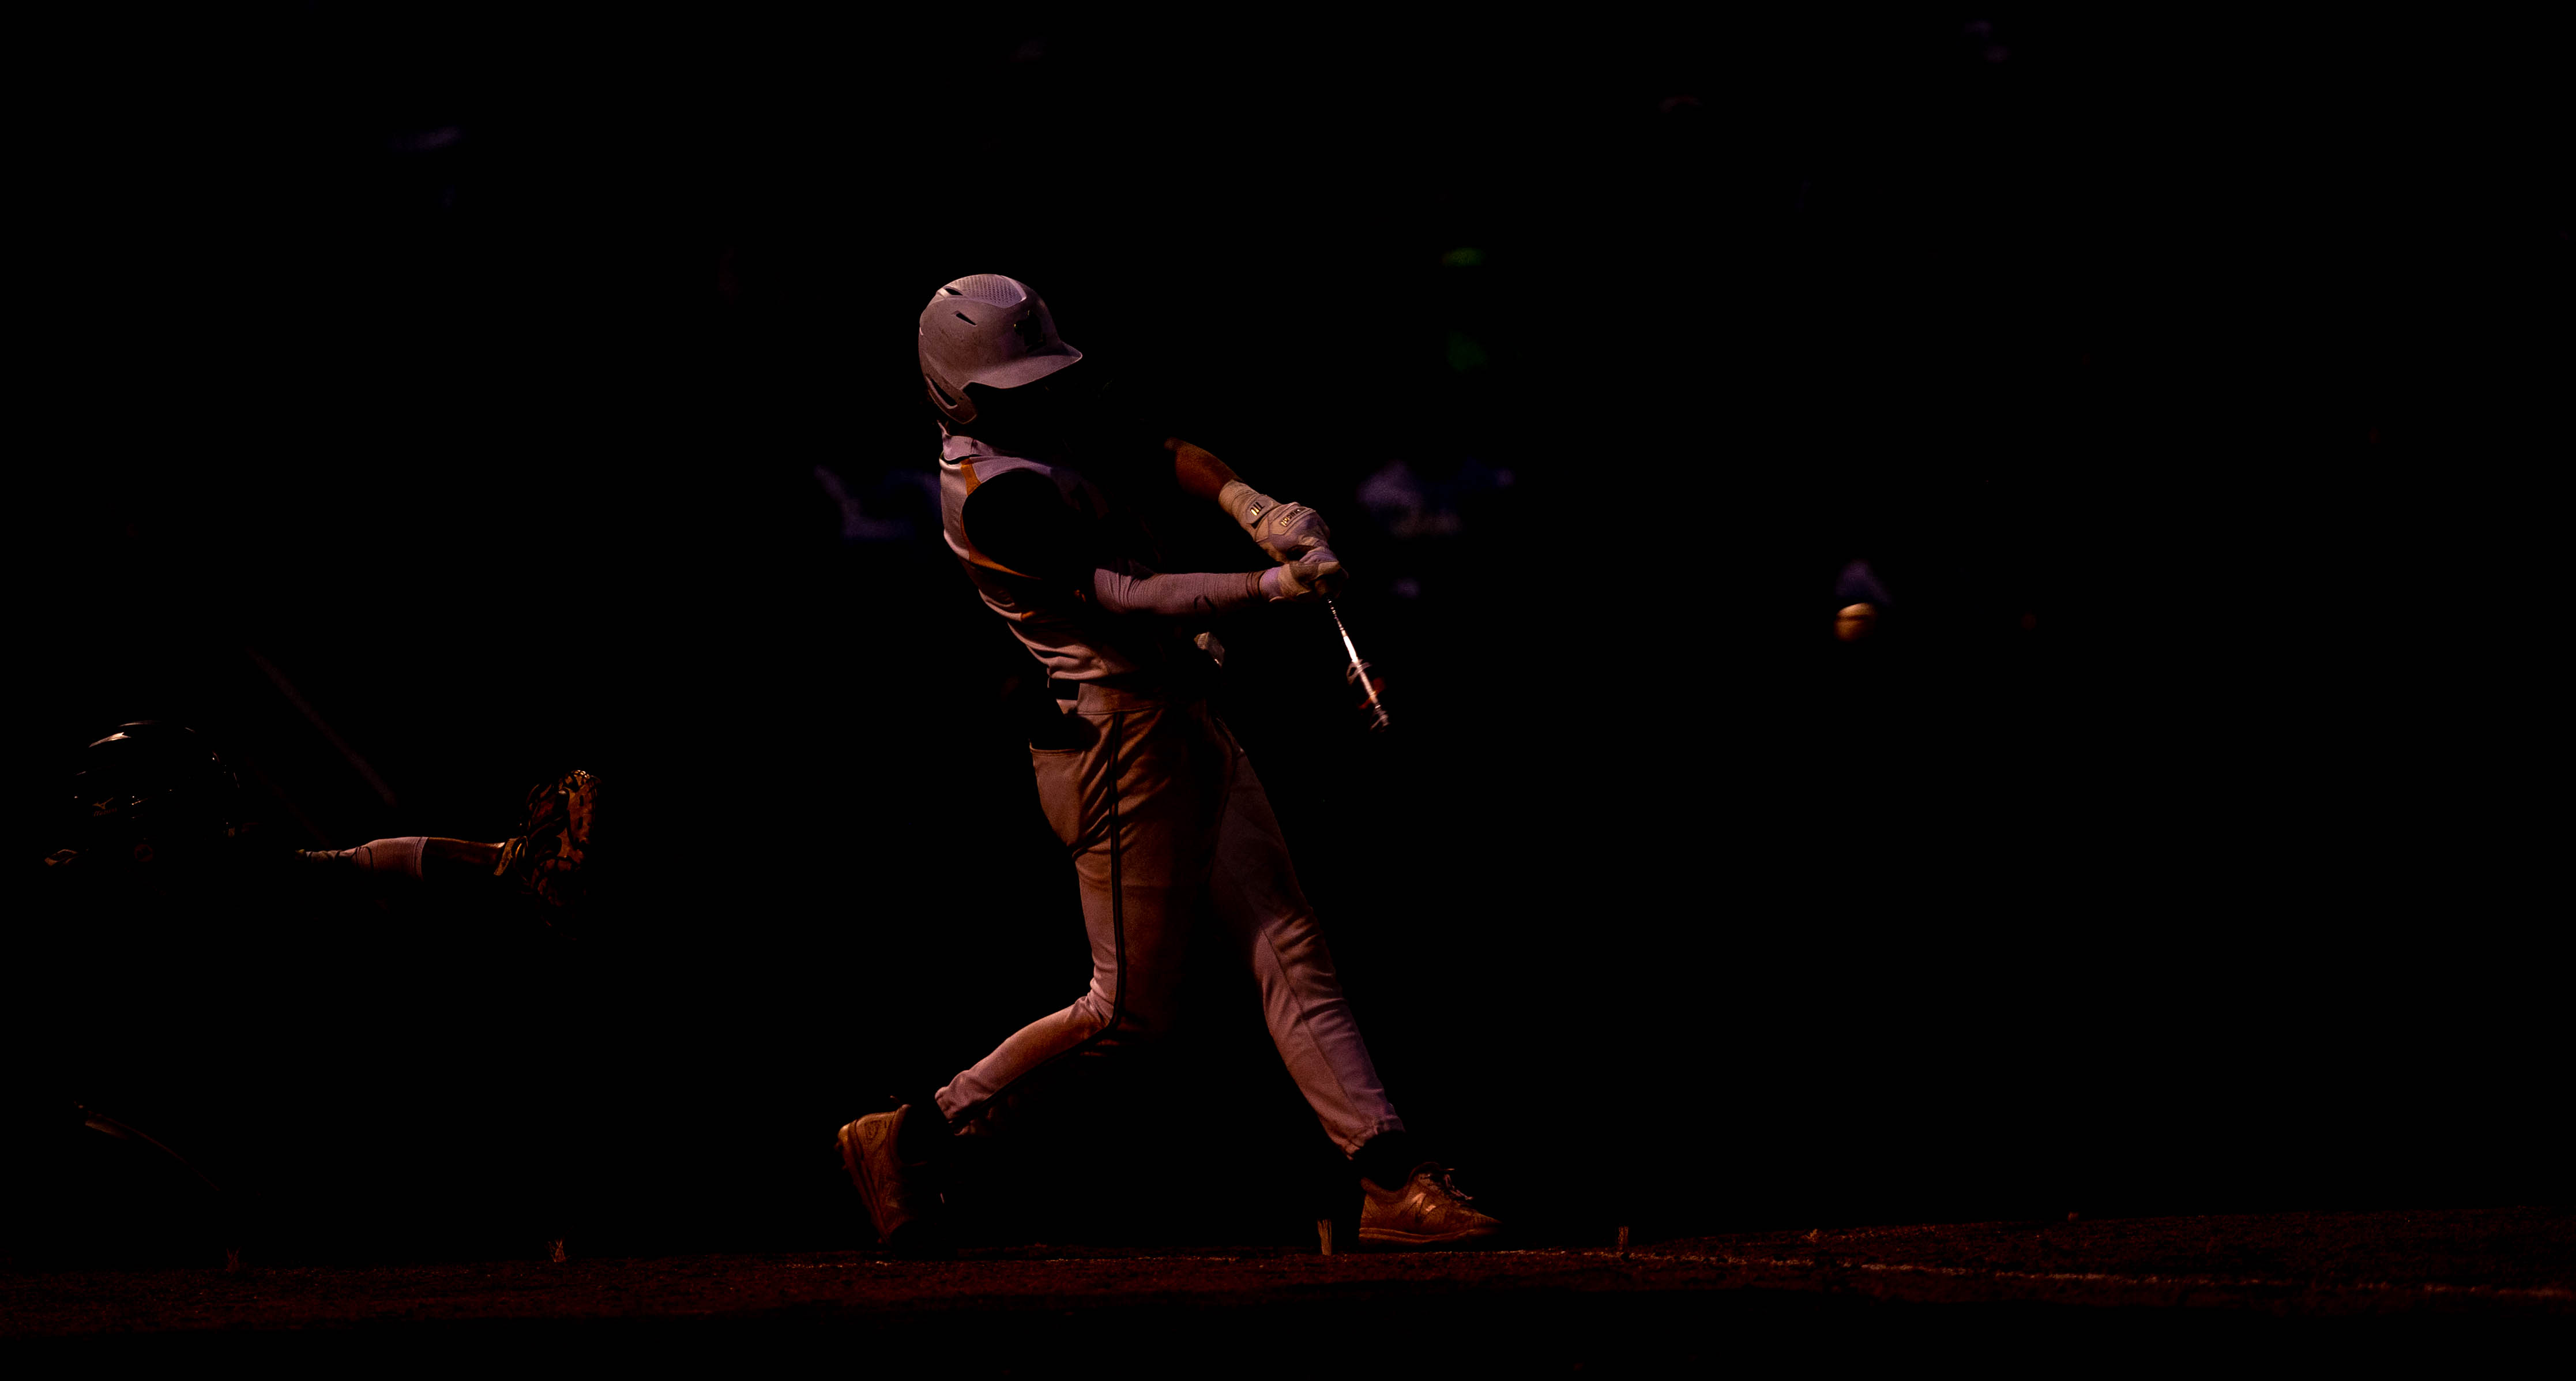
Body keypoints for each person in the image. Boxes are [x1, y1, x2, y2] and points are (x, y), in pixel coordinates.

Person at [837, 274, 1496, 1252]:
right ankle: (916, 1134)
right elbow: (1125, 594)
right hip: (1117, 742)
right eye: (1013, 386)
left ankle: (1388, 1175)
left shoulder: (1040, 405)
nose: (1040, 396)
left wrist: (1254, 504)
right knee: (1127, 1012)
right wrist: (1269, 583)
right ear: (962, 396)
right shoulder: (991, 494)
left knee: (1287, 934)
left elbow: (1162, 454)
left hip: (1177, 708)